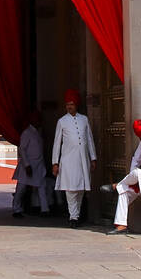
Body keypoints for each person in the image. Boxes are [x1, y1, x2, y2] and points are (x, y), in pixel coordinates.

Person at [51, 89, 95, 227]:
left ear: (76, 105)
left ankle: (76, 215)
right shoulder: (62, 121)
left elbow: (89, 139)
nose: (69, 106)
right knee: (70, 189)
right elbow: (57, 143)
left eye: (72, 104)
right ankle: (73, 217)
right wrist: (55, 162)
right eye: (67, 104)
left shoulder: (84, 119)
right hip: (68, 160)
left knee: (81, 188)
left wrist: (93, 157)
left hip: (83, 159)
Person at [11, 111, 50, 218]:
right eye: (38, 119)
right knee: (21, 188)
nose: (40, 122)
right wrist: (27, 165)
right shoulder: (27, 133)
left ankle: (45, 209)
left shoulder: (38, 132)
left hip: (38, 165)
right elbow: (22, 149)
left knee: (42, 187)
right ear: (33, 120)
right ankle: (16, 209)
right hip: (28, 165)